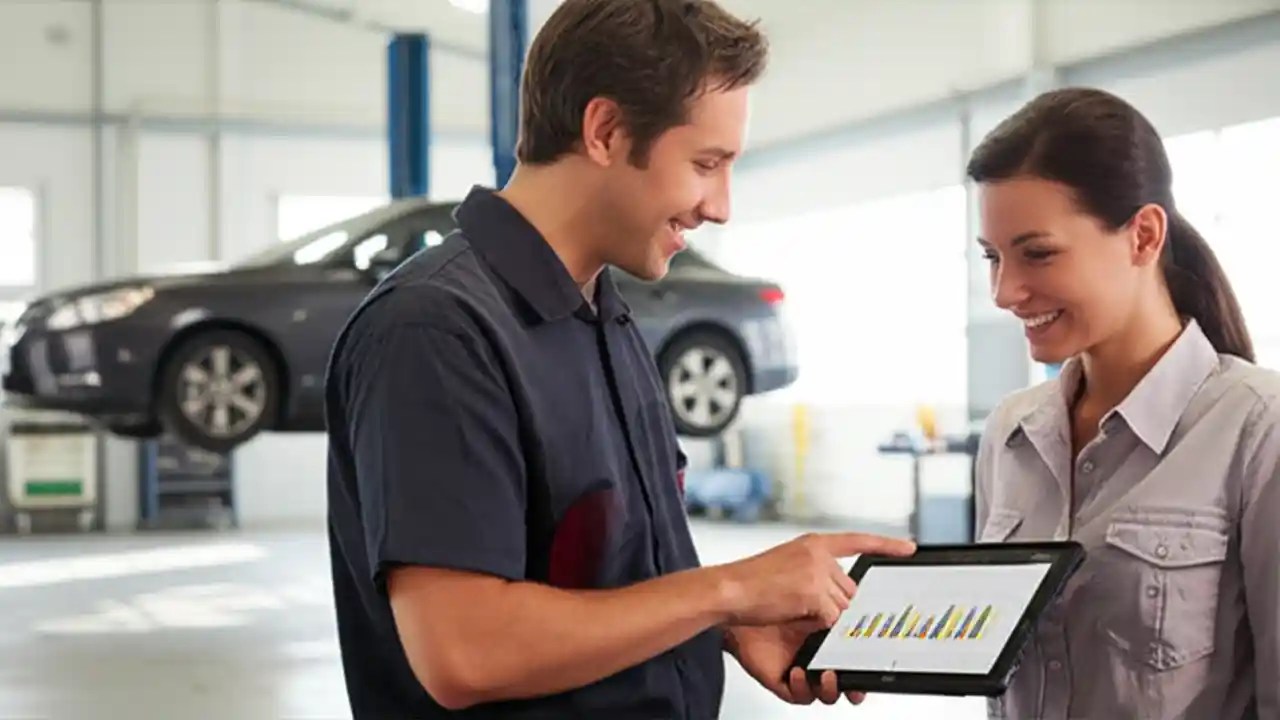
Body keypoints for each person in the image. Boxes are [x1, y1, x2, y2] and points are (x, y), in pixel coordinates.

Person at [324, 1, 915, 717]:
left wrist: (726, 624)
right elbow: (466, 651)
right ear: (605, 131)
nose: (721, 206)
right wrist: (728, 589)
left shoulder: (604, 313)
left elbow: (605, 581)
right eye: (706, 164)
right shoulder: (434, 331)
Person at [969, 86, 1280, 720]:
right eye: (992, 258)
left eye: (1037, 253)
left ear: (1142, 235)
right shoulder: (1011, 433)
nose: (1004, 292)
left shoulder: (1257, 431)